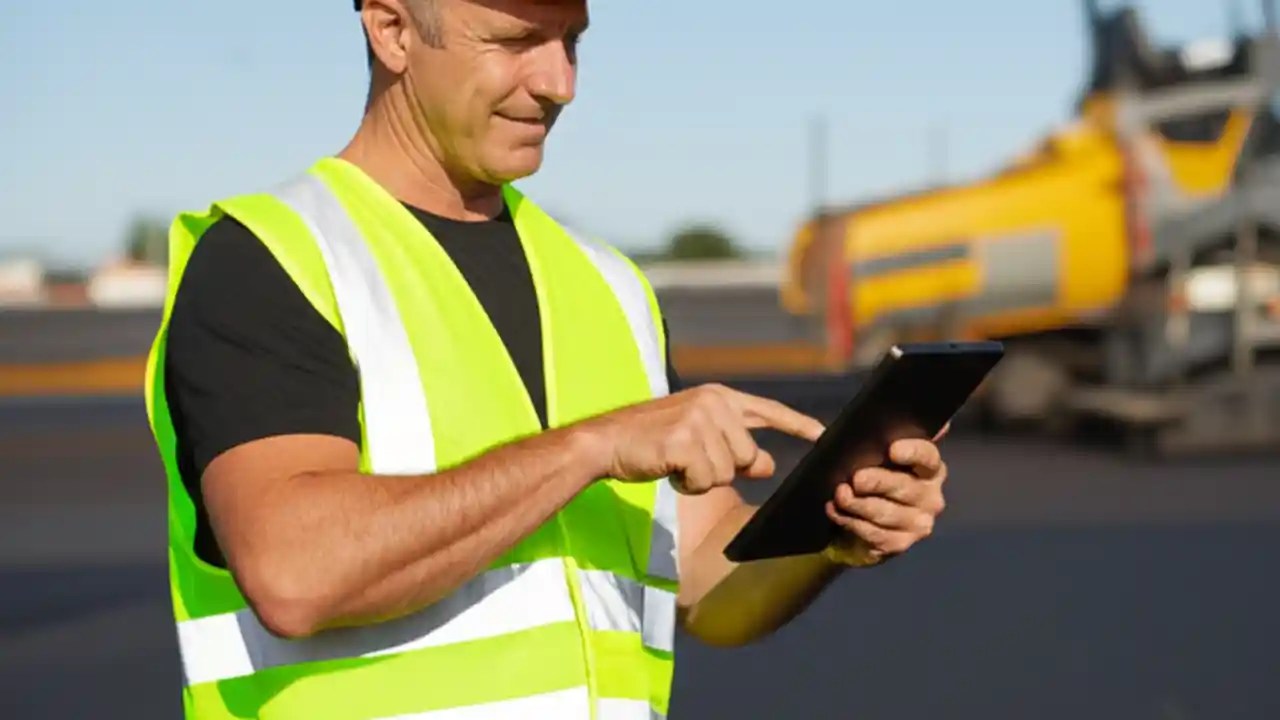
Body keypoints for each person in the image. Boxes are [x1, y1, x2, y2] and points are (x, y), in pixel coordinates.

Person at [143, 0, 951, 718]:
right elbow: (296, 572)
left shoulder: (607, 283)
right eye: (517, 39)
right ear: (392, 30)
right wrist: (592, 446)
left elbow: (708, 589)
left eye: (573, 40)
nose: (559, 82)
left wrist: (832, 531)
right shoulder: (271, 259)